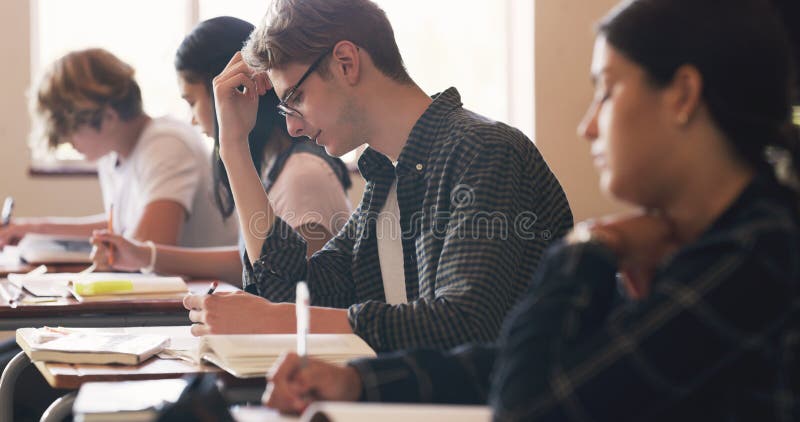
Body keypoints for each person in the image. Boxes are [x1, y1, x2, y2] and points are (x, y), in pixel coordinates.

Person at [262, 0, 800, 419]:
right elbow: (549, 363)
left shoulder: (756, 254)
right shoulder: (700, 242)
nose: (587, 125)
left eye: (607, 92)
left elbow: (529, 403)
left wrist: (589, 245)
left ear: (682, 95)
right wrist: (357, 383)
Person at [183, 0, 573, 351]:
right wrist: (233, 145)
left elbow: (464, 324)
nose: (293, 129)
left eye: (295, 99)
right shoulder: (387, 178)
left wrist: (278, 320)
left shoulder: (484, 152)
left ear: (346, 63)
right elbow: (296, 292)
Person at [89, 17, 352, 283]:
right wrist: (146, 256)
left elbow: (288, 289)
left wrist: (149, 255)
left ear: (236, 89)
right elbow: (254, 261)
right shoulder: (276, 168)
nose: (192, 119)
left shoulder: (302, 176)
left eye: (191, 101)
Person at [0, 48, 238, 249]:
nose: (67, 141)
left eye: (70, 130)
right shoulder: (115, 154)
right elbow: (123, 227)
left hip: (206, 293)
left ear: (108, 117)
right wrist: (31, 228)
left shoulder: (166, 144)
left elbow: (147, 246)